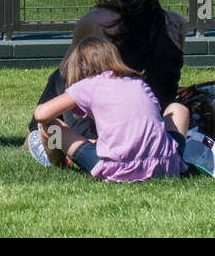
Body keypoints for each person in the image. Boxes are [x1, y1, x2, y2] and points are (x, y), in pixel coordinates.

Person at [29, 0, 185, 145]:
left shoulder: (98, 21)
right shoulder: (176, 23)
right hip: (156, 119)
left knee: (60, 76)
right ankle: (37, 133)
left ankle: (36, 134)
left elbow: (69, 75)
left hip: (104, 125)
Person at [32, 37, 191, 182]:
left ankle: (58, 164)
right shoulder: (137, 82)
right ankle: (178, 157)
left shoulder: (89, 85)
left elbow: (41, 114)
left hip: (117, 169)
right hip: (166, 165)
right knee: (178, 108)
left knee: (49, 125)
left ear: (81, 65)